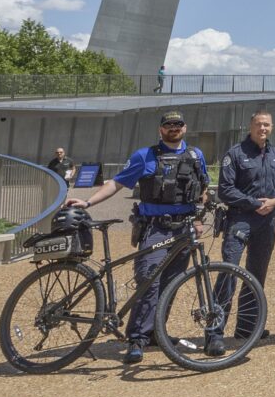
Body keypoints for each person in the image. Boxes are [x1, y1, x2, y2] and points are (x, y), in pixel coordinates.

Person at [70, 110, 209, 364]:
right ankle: (137, 338)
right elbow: (117, 183)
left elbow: (203, 189)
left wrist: (199, 219)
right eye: (168, 124)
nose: (174, 128)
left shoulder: (195, 155)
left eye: (178, 124)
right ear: (161, 129)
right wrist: (88, 203)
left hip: (184, 227)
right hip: (155, 228)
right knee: (149, 280)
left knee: (171, 282)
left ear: (185, 128)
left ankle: (156, 332)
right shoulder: (144, 156)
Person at [213, 111, 275, 346]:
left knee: (256, 275)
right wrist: (254, 203)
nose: (263, 128)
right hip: (240, 219)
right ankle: (214, 333)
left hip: (266, 223)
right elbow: (225, 190)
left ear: (271, 127)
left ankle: (246, 328)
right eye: (258, 124)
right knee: (229, 273)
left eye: (266, 125)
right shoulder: (235, 154)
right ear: (250, 127)